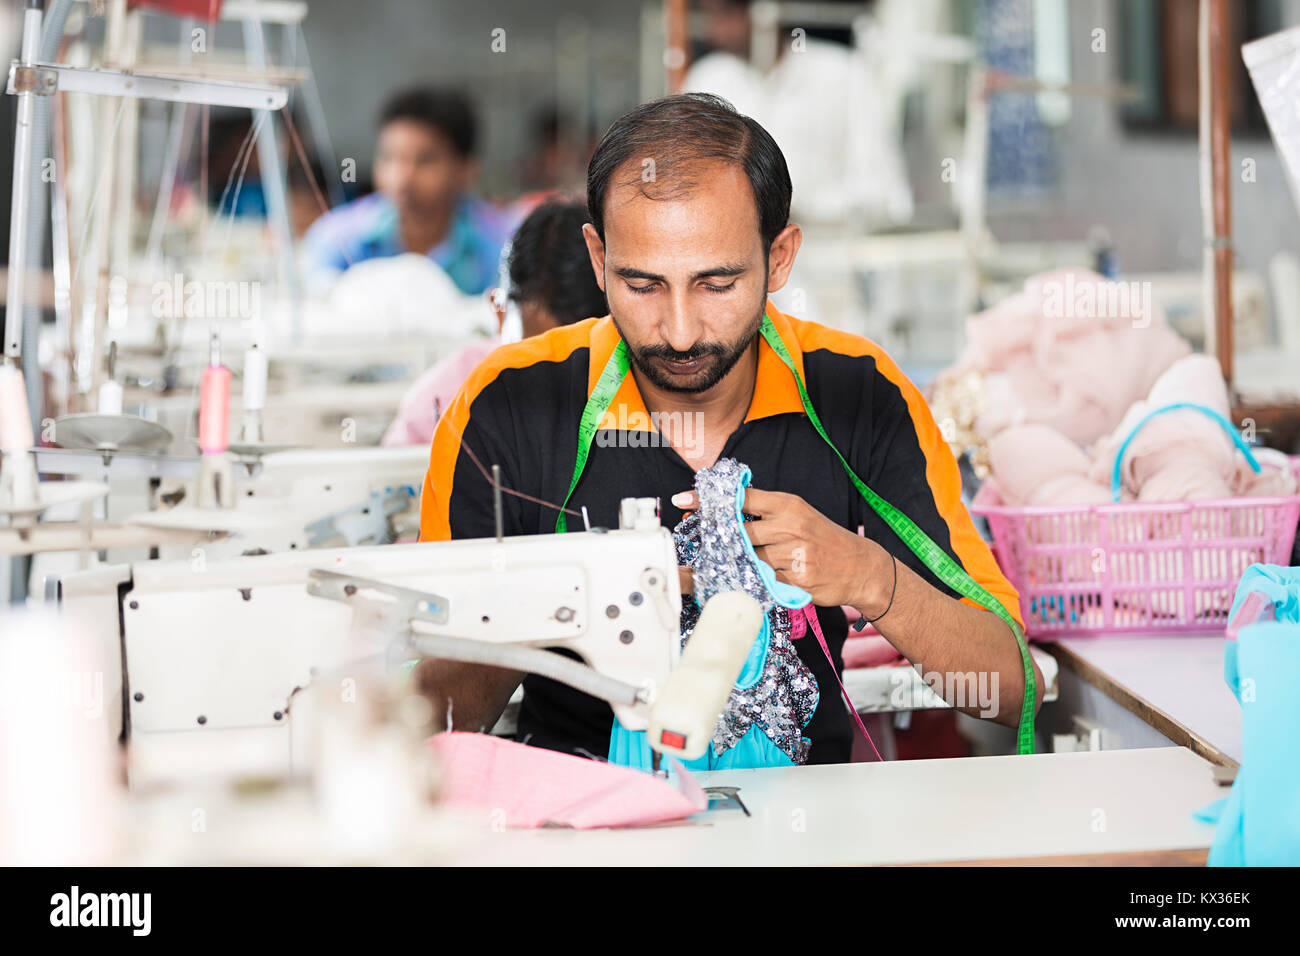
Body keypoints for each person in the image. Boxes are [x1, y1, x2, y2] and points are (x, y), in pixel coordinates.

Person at [416, 94, 1041, 766]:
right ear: (598, 259)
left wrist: (867, 576)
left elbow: (1010, 692)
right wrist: (557, 598)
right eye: (642, 284)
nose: (680, 331)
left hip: (808, 825)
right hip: (579, 826)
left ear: (781, 257)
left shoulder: (856, 393)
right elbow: (423, 718)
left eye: (717, 284)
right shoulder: (512, 404)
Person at [382, 200, 607, 447]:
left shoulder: (642, 400)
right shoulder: (442, 404)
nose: (552, 381)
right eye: (531, 358)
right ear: (498, 312)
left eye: (576, 362)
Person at [303, 86, 512, 296]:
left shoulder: (502, 246)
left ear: (465, 170)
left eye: (425, 160)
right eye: (390, 157)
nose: (403, 177)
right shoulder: (337, 239)